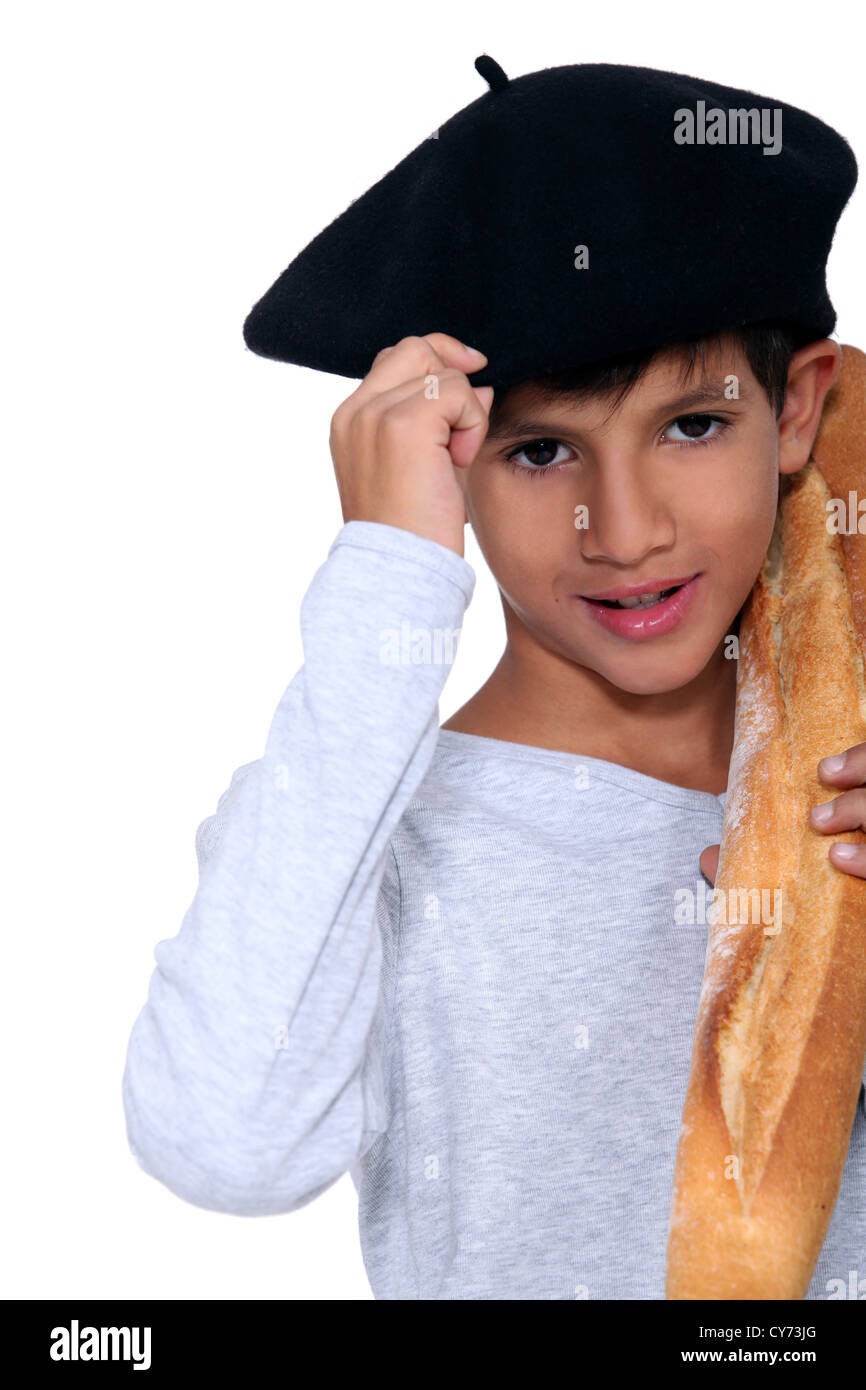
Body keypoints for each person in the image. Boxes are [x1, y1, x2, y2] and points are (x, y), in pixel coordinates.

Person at [122, 56, 866, 1299]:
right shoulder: (373, 845)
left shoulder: (839, 792)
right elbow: (217, 1140)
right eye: (536, 451)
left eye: (690, 426)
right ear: (442, 463)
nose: (622, 531)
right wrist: (384, 577)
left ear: (796, 407)